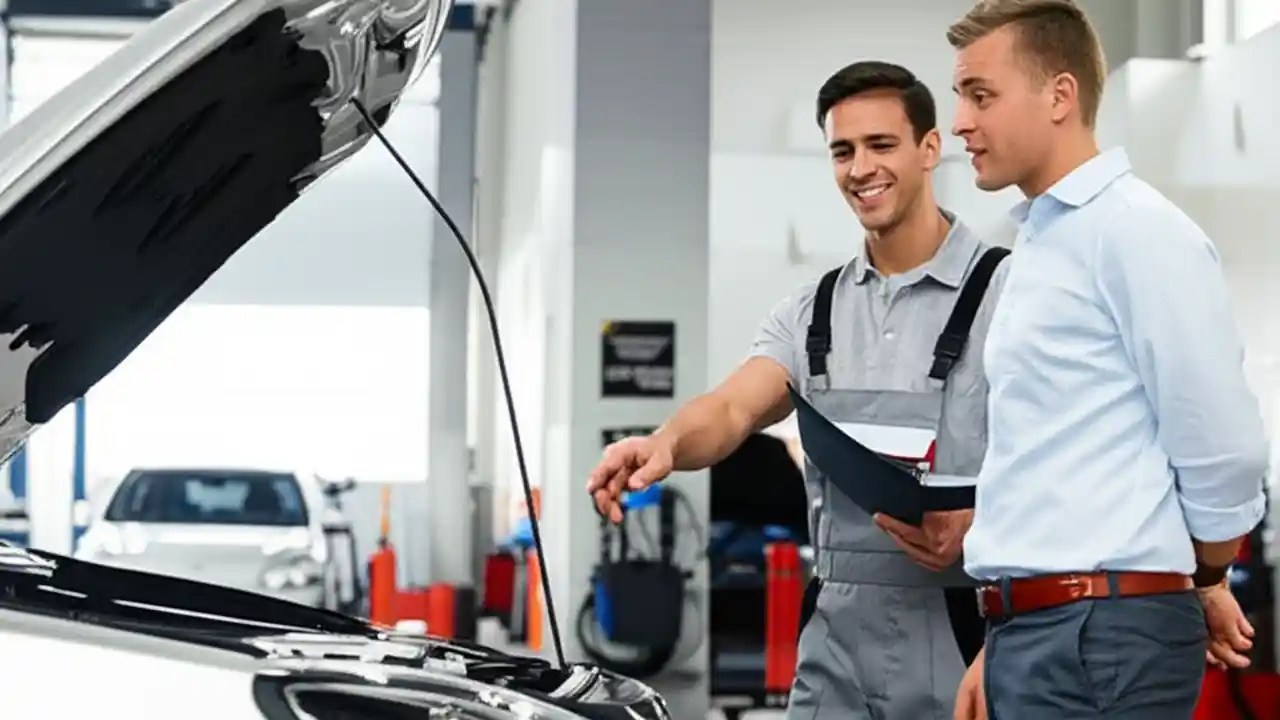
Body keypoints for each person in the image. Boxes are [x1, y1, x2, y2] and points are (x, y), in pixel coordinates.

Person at [586, 60, 1010, 719]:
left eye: (881, 144)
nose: (860, 168)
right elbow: (732, 407)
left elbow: (1065, 458)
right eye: (842, 150)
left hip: (962, 632)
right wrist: (665, 443)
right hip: (836, 642)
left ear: (931, 149)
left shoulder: (1008, 297)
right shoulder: (812, 312)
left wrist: (994, 528)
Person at [942, 2, 1268, 718]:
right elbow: (1051, 468)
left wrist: (1204, 572)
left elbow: (1224, 446)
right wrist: (1006, 636)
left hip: (1098, 635)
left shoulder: (1136, 233)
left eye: (980, 95)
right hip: (1046, 628)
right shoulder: (1039, 244)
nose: (961, 121)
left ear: (1060, 95)